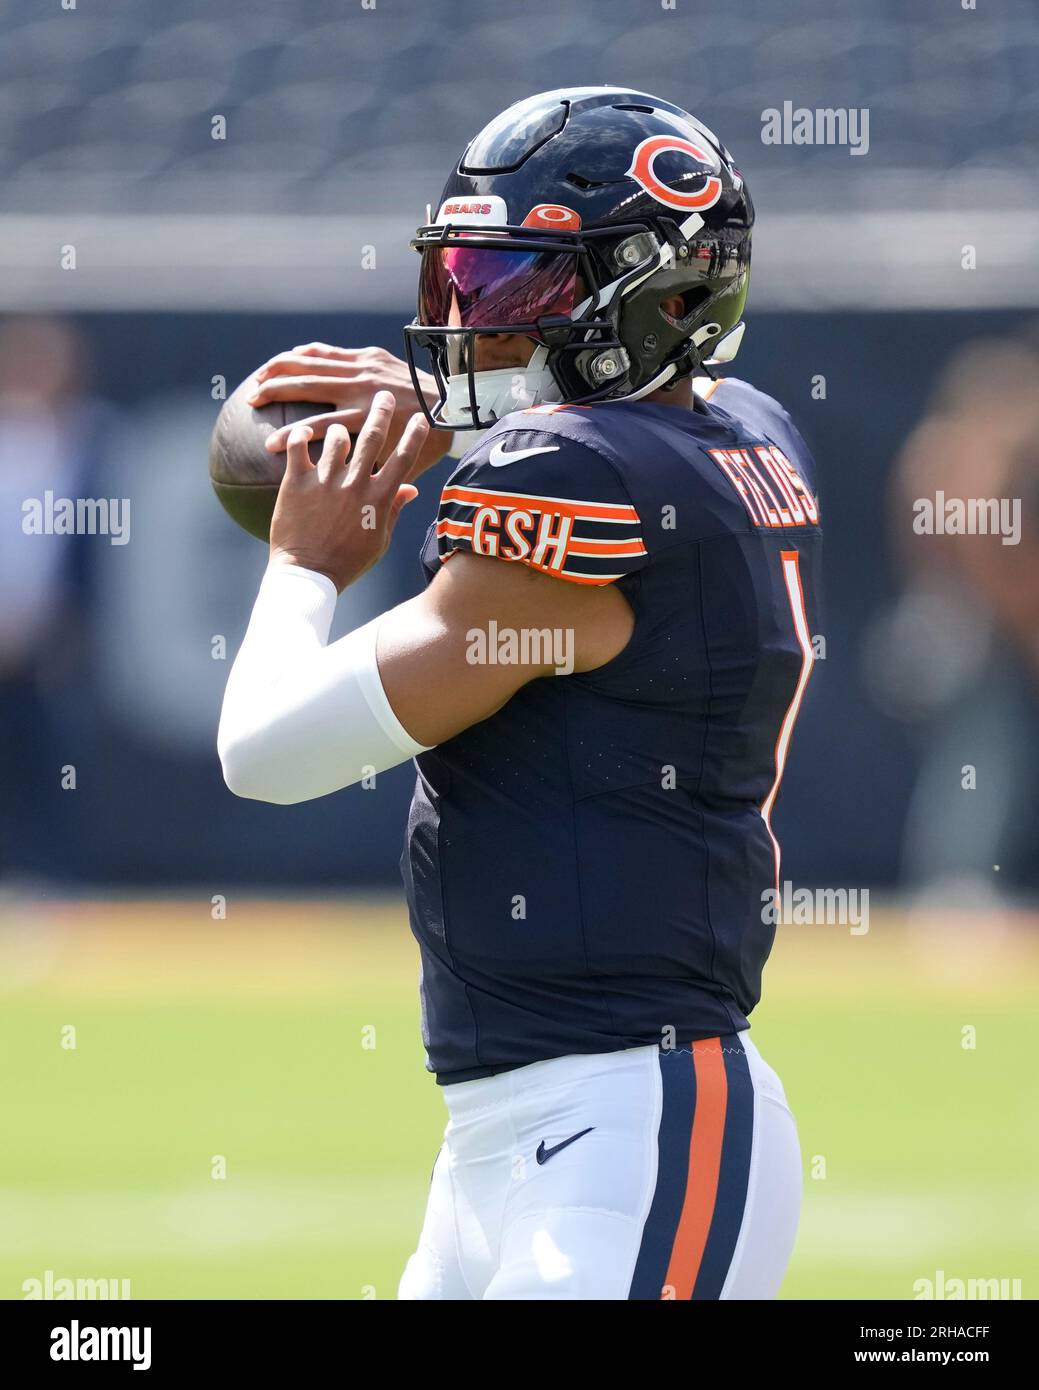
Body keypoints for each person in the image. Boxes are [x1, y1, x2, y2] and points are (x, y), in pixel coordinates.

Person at [219, 87, 822, 1300]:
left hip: (632, 1119)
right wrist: (473, 406)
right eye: (459, 286)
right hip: (516, 1127)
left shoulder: (579, 483)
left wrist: (304, 564)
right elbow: (651, 419)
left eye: (511, 290)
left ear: (653, 294)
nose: (463, 325)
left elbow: (267, 751)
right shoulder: (733, 432)